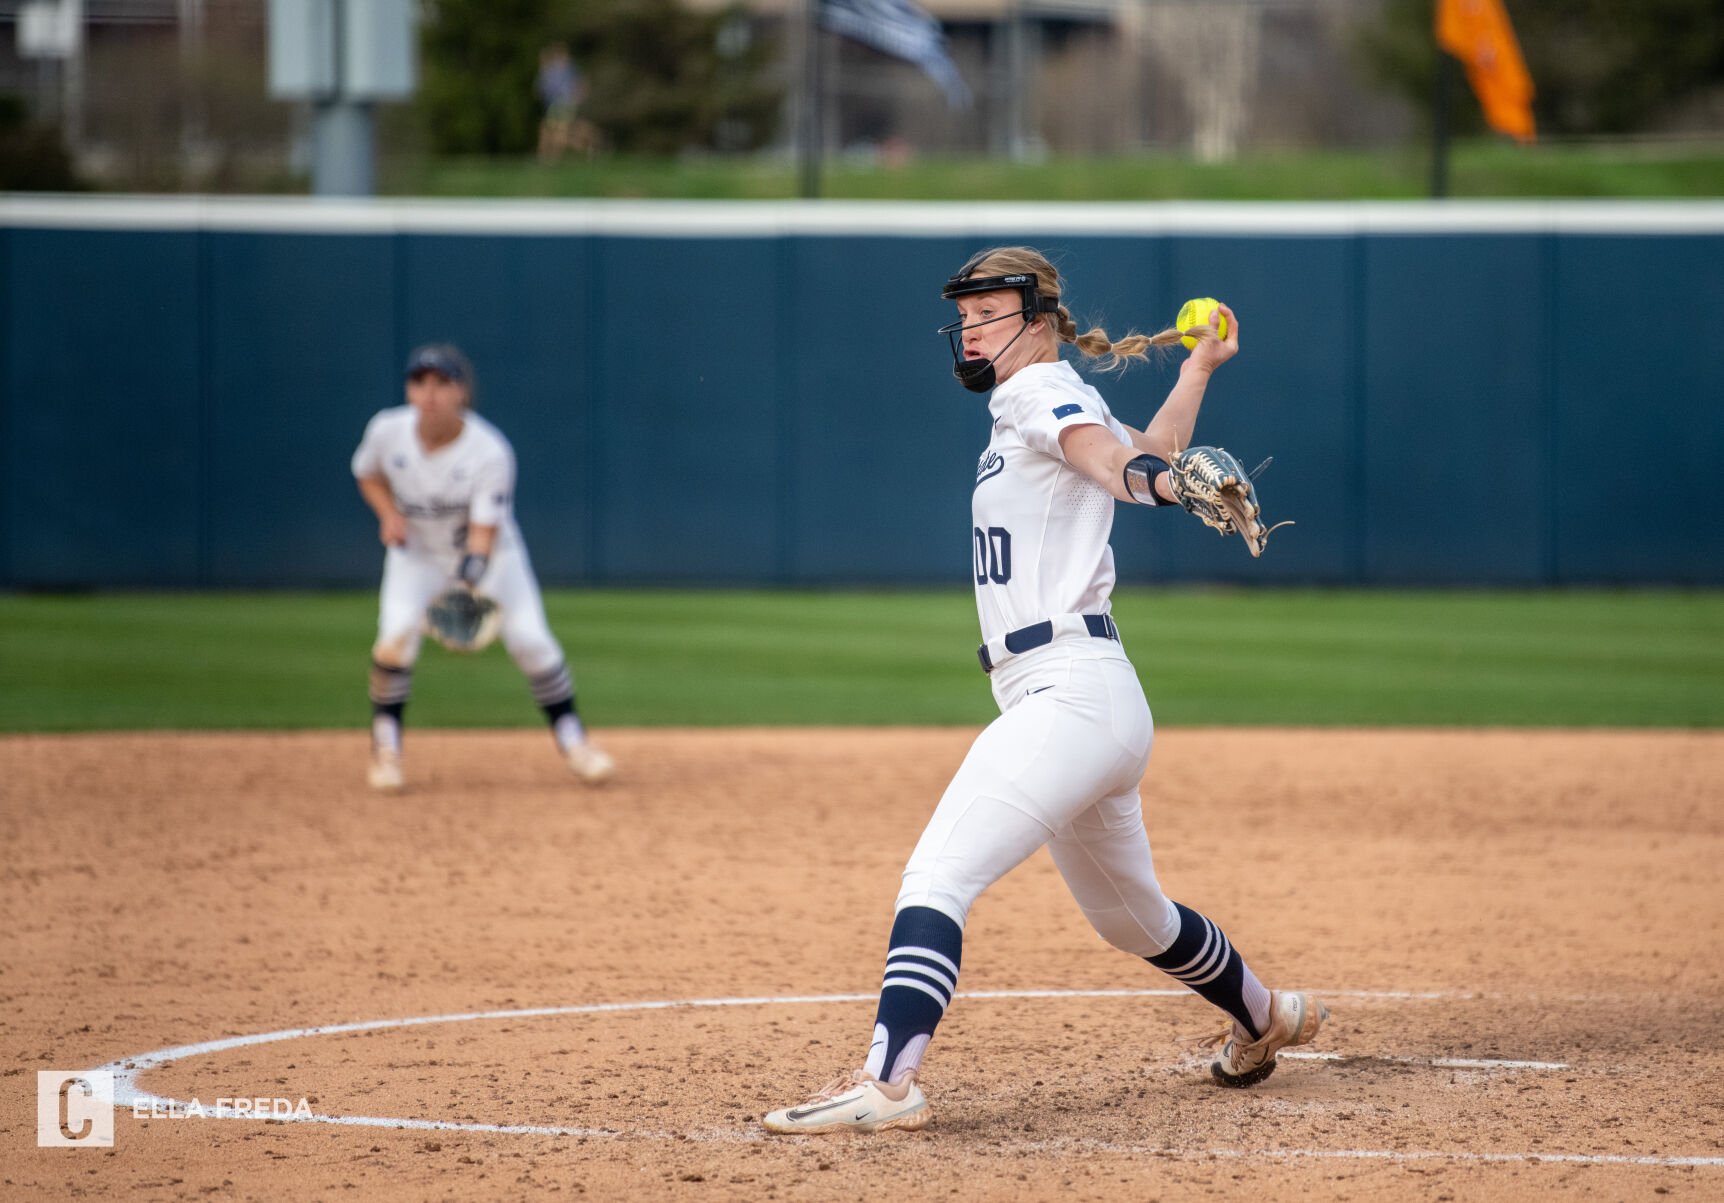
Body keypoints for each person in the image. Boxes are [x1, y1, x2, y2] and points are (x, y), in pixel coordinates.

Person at [763, 248, 1325, 1135]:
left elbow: (1118, 467)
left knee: (939, 873)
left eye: (987, 312)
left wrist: (1160, 484)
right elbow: (1140, 455)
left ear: (1037, 319)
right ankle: (1267, 1014)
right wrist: (1197, 372)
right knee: (1133, 919)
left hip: (1069, 692)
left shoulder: (1034, 391)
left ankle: (889, 1082)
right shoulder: (1052, 397)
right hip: (1091, 698)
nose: (970, 329)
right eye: (965, 314)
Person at [351, 344, 614, 791]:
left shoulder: (489, 451)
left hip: (492, 560)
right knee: (394, 641)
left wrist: (465, 588)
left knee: (532, 642)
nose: (429, 393)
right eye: (419, 382)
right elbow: (368, 475)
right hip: (417, 555)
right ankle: (386, 750)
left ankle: (576, 743)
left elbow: (482, 536)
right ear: (409, 390)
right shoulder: (386, 431)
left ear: (462, 393)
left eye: (442, 383)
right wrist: (388, 514)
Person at [536, 43, 595, 161]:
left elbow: (582, 84)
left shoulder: (568, 69)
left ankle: (552, 158)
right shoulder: (550, 71)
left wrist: (578, 97)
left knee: (560, 133)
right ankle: (588, 148)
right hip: (554, 105)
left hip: (563, 104)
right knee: (554, 132)